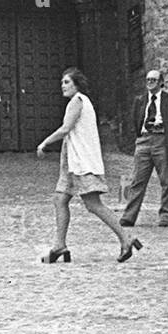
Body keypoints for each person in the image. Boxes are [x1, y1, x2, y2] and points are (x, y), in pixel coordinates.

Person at [37, 68, 140, 263]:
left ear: (76, 85)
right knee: (59, 199)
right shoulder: (81, 102)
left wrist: (45, 142)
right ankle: (59, 245)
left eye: (66, 82)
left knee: (93, 204)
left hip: (81, 162)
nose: (63, 85)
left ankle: (126, 238)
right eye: (62, 82)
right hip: (72, 162)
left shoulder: (77, 101)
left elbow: (65, 128)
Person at [120, 70, 168, 229]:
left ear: (161, 82)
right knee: (137, 180)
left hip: (162, 139)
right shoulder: (140, 100)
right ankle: (129, 216)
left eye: (154, 79)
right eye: (148, 79)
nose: (150, 82)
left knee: (166, 180)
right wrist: (138, 138)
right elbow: (135, 121)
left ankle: (165, 216)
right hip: (144, 140)